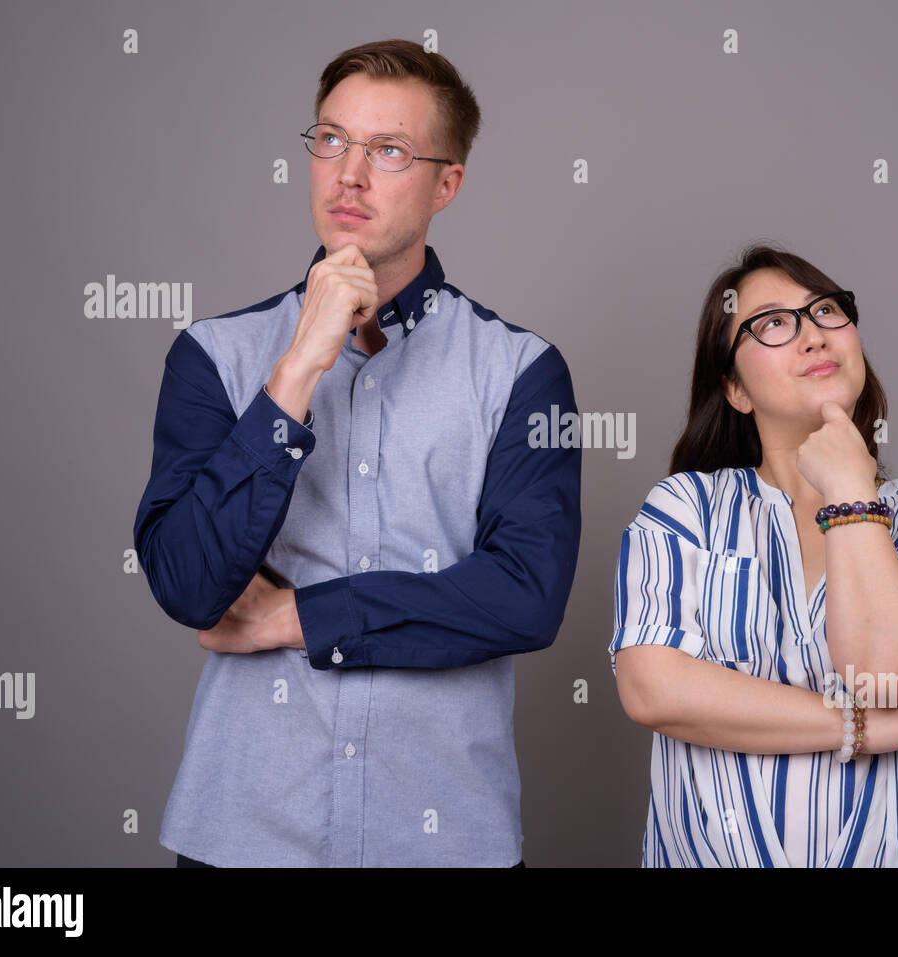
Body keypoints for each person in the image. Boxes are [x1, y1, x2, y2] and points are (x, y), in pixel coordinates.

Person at [132, 39, 581, 868]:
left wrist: (294, 617)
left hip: (447, 835)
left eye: (389, 150)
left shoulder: (522, 372)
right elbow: (190, 581)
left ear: (447, 183)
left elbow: (525, 596)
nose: (348, 174)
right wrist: (296, 370)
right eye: (331, 140)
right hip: (244, 831)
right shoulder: (213, 355)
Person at [608, 242, 898, 866]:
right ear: (735, 387)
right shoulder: (684, 509)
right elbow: (655, 691)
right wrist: (864, 728)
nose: (813, 336)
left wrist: (848, 493)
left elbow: (889, 674)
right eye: (775, 324)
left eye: (826, 312)